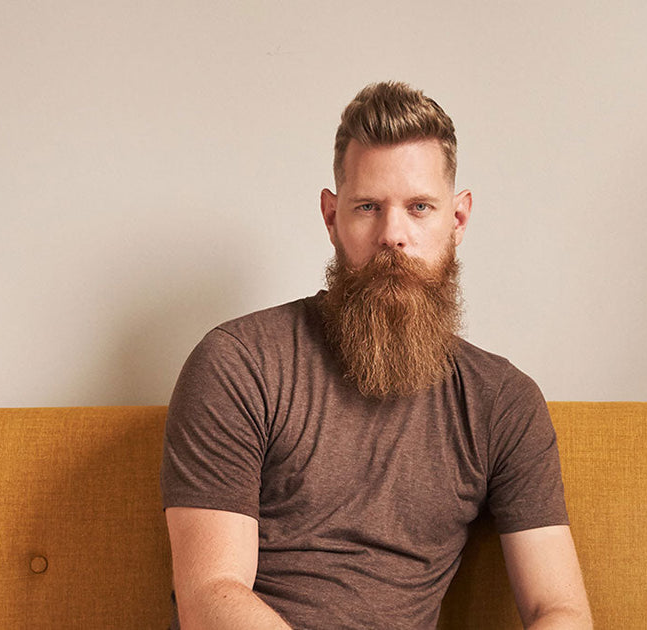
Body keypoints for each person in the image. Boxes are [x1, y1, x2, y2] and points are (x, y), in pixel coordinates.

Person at [160, 82, 591, 630]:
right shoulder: (239, 364)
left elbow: (558, 608)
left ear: (457, 220)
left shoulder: (502, 402)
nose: (393, 235)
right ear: (331, 216)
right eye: (368, 207)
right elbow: (210, 594)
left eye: (419, 208)